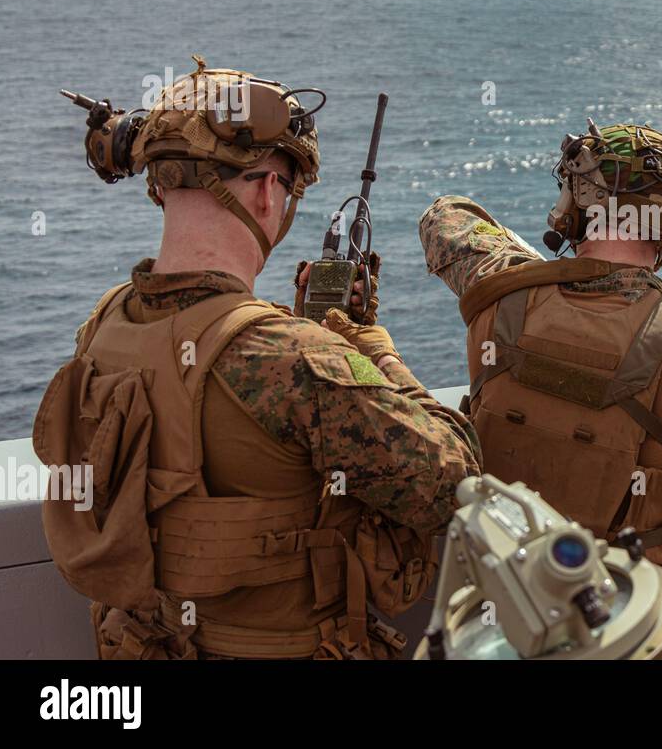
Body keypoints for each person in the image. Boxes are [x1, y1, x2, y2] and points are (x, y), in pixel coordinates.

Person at [34, 57, 480, 660]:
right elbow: (459, 488)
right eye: (289, 185)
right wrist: (369, 348)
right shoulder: (291, 358)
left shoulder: (105, 324)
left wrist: (304, 337)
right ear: (270, 190)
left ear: (160, 185)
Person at [419, 120, 662, 583]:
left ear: (572, 206)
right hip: (630, 619)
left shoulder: (499, 288)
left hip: (492, 598)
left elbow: (444, 216)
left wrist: (536, 272)